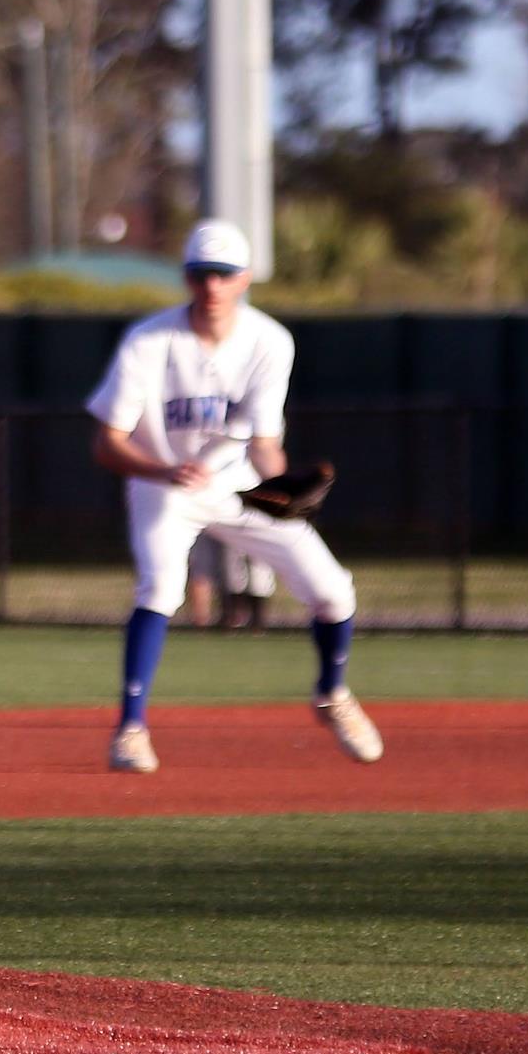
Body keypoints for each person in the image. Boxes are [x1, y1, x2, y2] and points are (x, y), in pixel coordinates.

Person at [83, 219, 383, 773]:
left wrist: (284, 483)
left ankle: (333, 693)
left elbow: (264, 444)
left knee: (334, 590)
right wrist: (163, 470)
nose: (212, 287)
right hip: (162, 483)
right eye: (201, 274)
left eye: (223, 274)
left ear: (244, 278)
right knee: (161, 587)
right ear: (186, 278)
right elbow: (106, 445)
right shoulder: (149, 341)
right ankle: (130, 729)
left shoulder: (270, 341)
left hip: (235, 481)